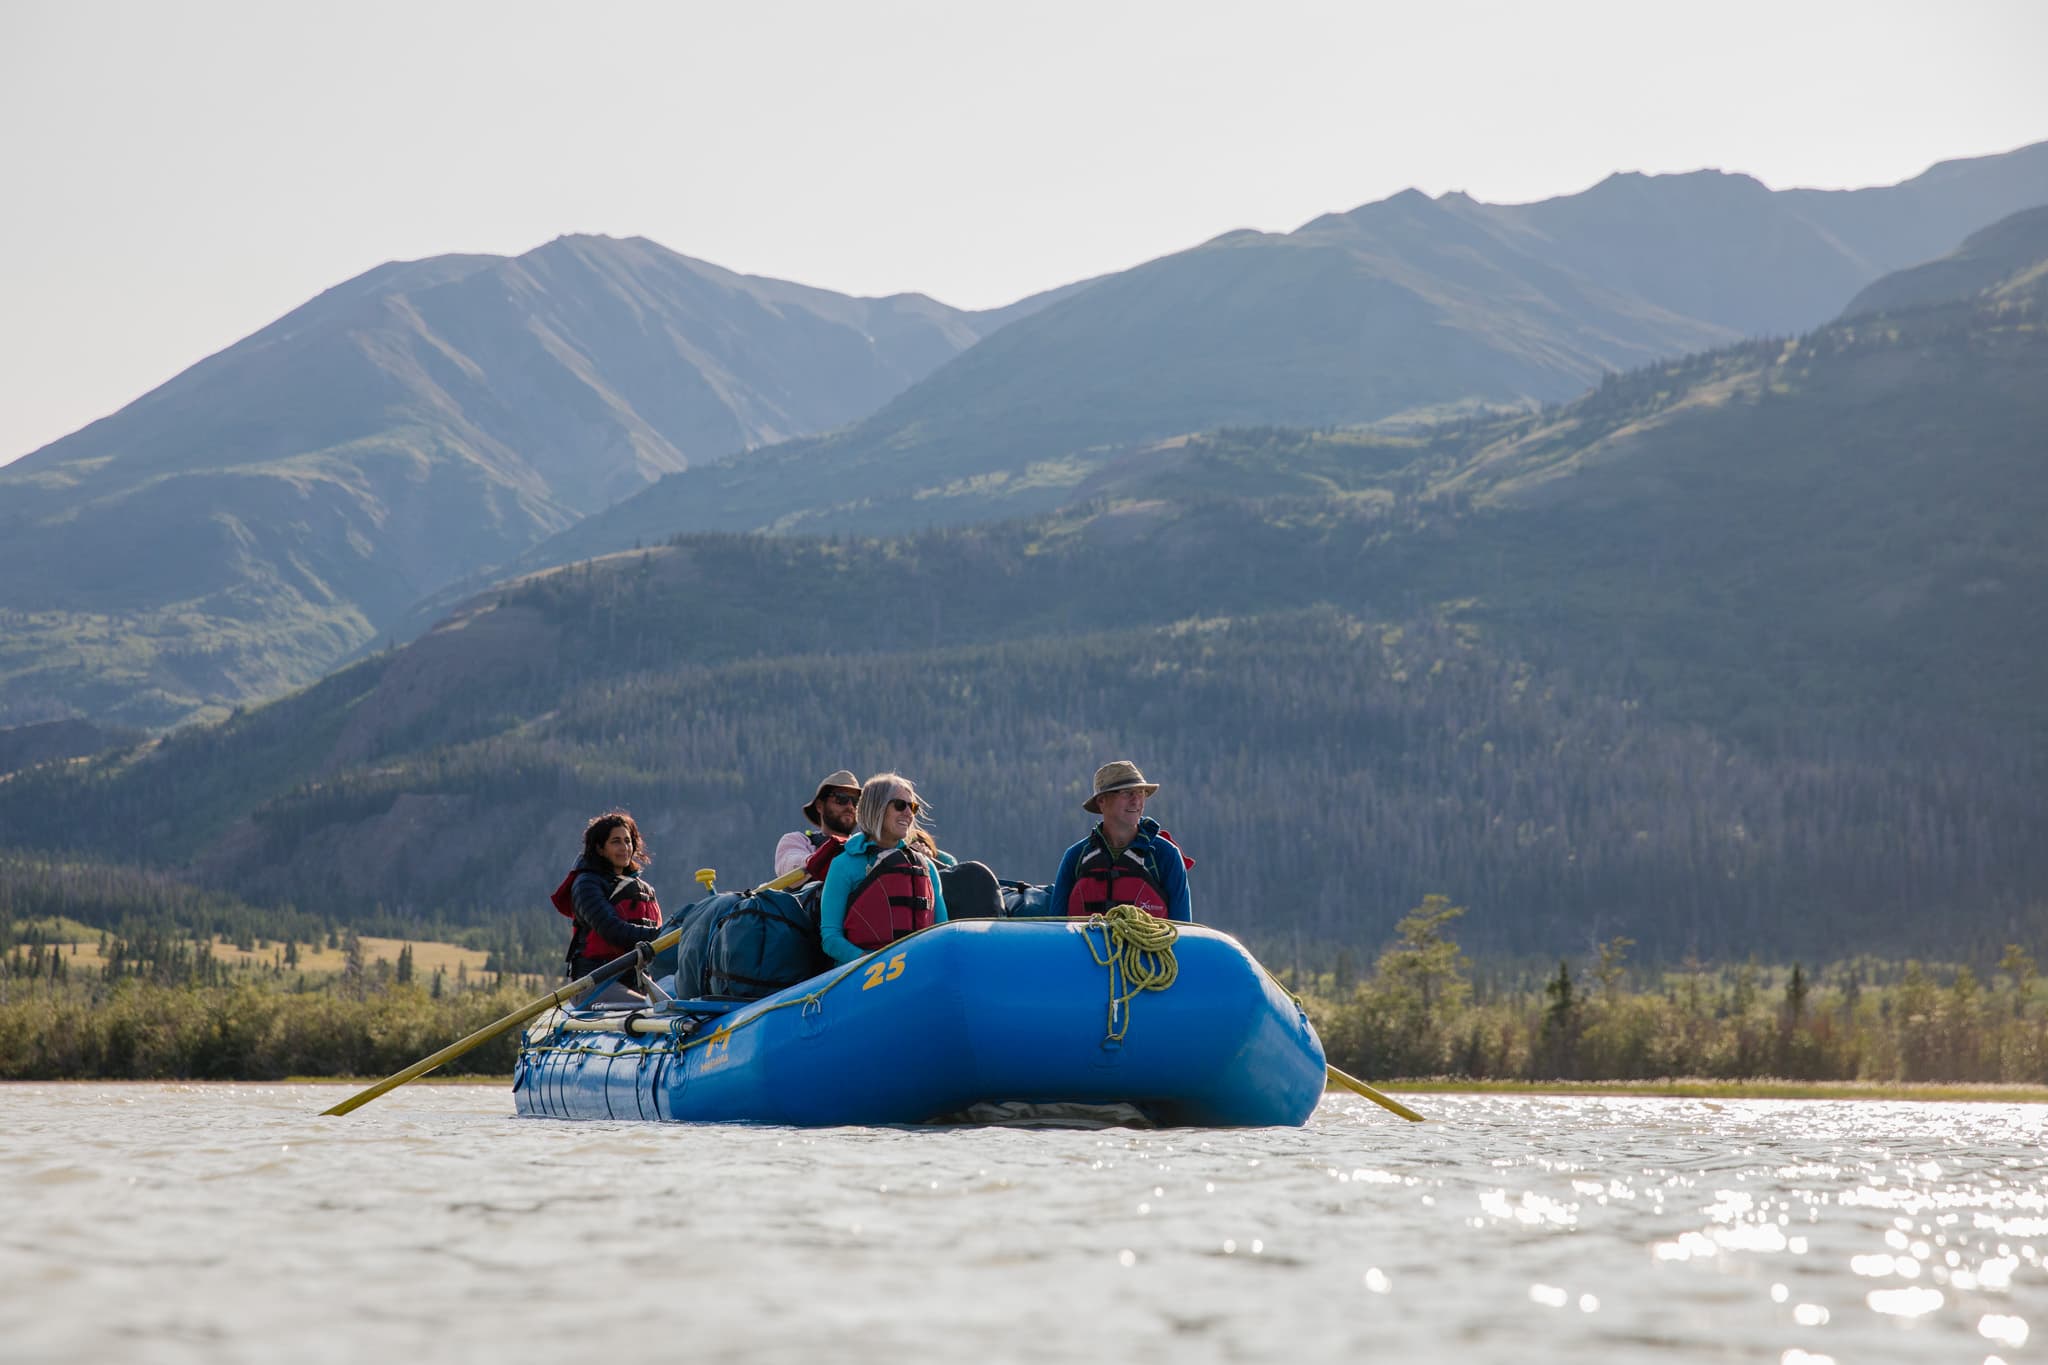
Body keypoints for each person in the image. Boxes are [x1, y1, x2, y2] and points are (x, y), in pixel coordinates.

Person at [818, 772, 950, 963]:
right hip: (862, 977)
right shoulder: (844, 866)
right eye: (900, 805)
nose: (909, 814)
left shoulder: (926, 867)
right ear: (877, 808)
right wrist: (872, 963)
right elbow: (831, 939)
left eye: (913, 807)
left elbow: (941, 931)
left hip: (916, 969)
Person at [1048, 761, 1192, 923]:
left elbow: (1183, 928)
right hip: (1087, 948)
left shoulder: (1166, 855)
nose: (1136, 800)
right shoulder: (1075, 857)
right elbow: (1056, 925)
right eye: (1126, 792)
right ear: (1101, 801)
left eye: (1141, 792)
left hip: (1149, 948)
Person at [549, 811, 664, 988]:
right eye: (615, 842)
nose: (625, 848)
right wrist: (663, 935)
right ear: (600, 849)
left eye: (627, 841)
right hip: (598, 981)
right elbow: (612, 929)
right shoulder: (585, 885)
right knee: (645, 1005)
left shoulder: (639, 887)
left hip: (637, 979)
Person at [775, 770, 861, 878]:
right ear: (820, 806)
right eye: (841, 798)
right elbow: (789, 865)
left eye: (856, 801)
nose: (850, 806)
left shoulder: (864, 848)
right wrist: (816, 861)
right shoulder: (798, 841)